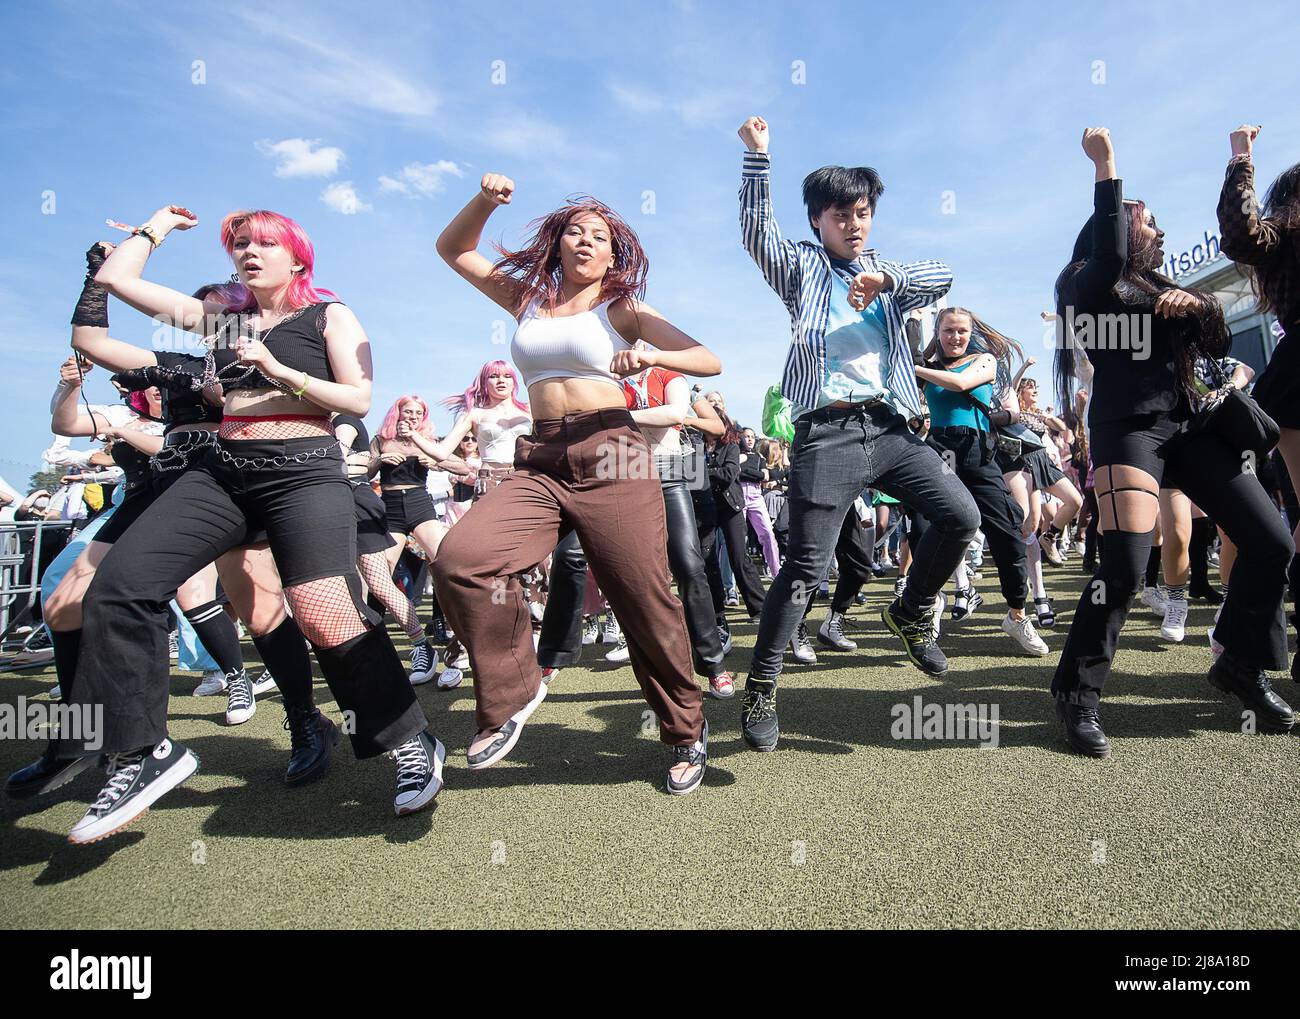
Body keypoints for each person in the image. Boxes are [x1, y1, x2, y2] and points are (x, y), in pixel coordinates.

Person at [50, 204, 446, 843]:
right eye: (239, 245)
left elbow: (357, 397)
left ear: (297, 256)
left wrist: (280, 370)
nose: (249, 253)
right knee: (120, 586)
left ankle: (409, 741)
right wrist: (157, 227)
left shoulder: (328, 315)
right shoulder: (223, 322)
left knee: (324, 614)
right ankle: (142, 752)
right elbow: (118, 282)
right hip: (223, 471)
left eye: (265, 243)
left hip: (302, 468)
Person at [430, 173, 720, 794]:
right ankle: (514, 693)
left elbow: (708, 359)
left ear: (615, 255)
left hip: (614, 451)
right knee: (462, 559)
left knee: (643, 598)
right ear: (557, 243)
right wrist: (485, 202)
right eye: (575, 232)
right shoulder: (526, 299)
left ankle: (685, 730)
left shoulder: (624, 309)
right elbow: (453, 249)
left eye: (600, 236)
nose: (586, 240)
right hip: (542, 456)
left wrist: (652, 355)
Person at [734, 114, 979, 752]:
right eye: (840, 214)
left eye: (863, 213)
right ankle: (761, 685)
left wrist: (888, 279)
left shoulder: (886, 275)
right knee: (806, 565)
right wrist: (758, 158)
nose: (854, 224)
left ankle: (910, 610)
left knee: (960, 515)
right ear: (818, 219)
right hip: (829, 433)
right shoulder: (801, 267)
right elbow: (757, 233)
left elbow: (942, 275)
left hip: (891, 428)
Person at [1050, 128, 1294, 757]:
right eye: (1149, 222)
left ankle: (1239, 664)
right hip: (1129, 431)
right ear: (1121, 230)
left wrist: (1202, 309)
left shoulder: (1163, 288)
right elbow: (1108, 256)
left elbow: (1216, 345)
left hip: (1191, 428)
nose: (1160, 232)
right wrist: (1107, 167)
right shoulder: (1087, 283)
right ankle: (1077, 695)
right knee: (1125, 566)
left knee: (1271, 540)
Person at [1216, 123, 1300, 682]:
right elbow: (1241, 234)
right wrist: (1241, 160)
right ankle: (1241, 646)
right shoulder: (1281, 236)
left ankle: (1242, 645)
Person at [915, 308, 1048, 655]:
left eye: (962, 330)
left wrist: (916, 368)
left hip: (977, 449)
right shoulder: (927, 366)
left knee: (1008, 532)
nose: (955, 337)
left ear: (971, 332)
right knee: (926, 529)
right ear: (938, 332)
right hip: (941, 450)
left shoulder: (984, 360)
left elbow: (961, 385)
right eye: (948, 330)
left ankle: (1017, 615)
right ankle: (930, 603)